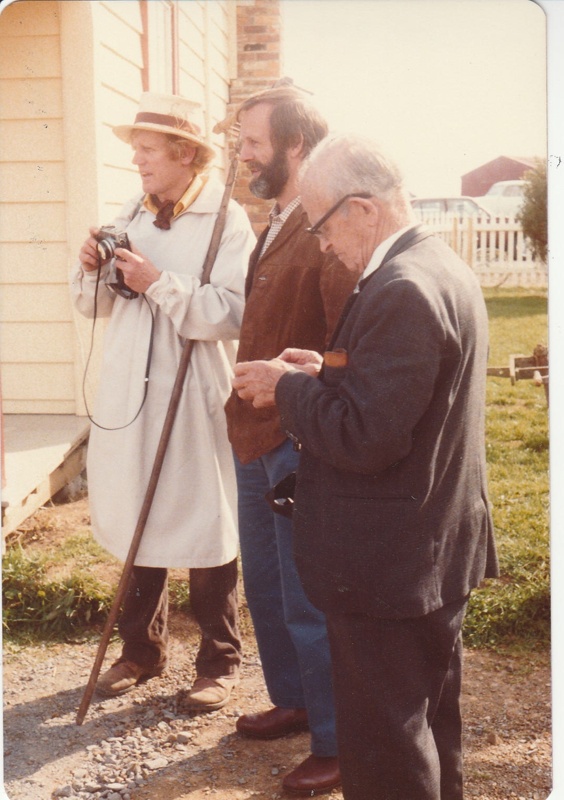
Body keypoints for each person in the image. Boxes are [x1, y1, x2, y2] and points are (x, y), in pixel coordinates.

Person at [232, 133, 499, 800]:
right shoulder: (434, 265)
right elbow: (404, 385)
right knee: (428, 725)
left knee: (384, 751)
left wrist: (286, 389)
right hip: (427, 551)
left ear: (365, 209)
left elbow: (366, 437)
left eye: (321, 224)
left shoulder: (402, 286)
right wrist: (325, 368)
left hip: (391, 567)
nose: (321, 244)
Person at [71, 92, 255, 711]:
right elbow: (91, 306)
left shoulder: (226, 221)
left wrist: (161, 284)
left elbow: (234, 314)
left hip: (193, 388)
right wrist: (93, 268)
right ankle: (142, 650)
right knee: (134, 509)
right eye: (135, 150)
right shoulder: (131, 211)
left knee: (203, 514)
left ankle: (219, 660)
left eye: (147, 150)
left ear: (183, 153)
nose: (138, 162)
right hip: (130, 390)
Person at [224, 87, 356, 795]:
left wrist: (302, 392)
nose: (242, 152)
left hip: (297, 436)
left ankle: (336, 740)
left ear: (296, 146)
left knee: (305, 591)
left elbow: (345, 346)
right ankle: (297, 700)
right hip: (252, 432)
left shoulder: (329, 228)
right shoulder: (277, 221)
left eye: (252, 140)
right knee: (266, 584)